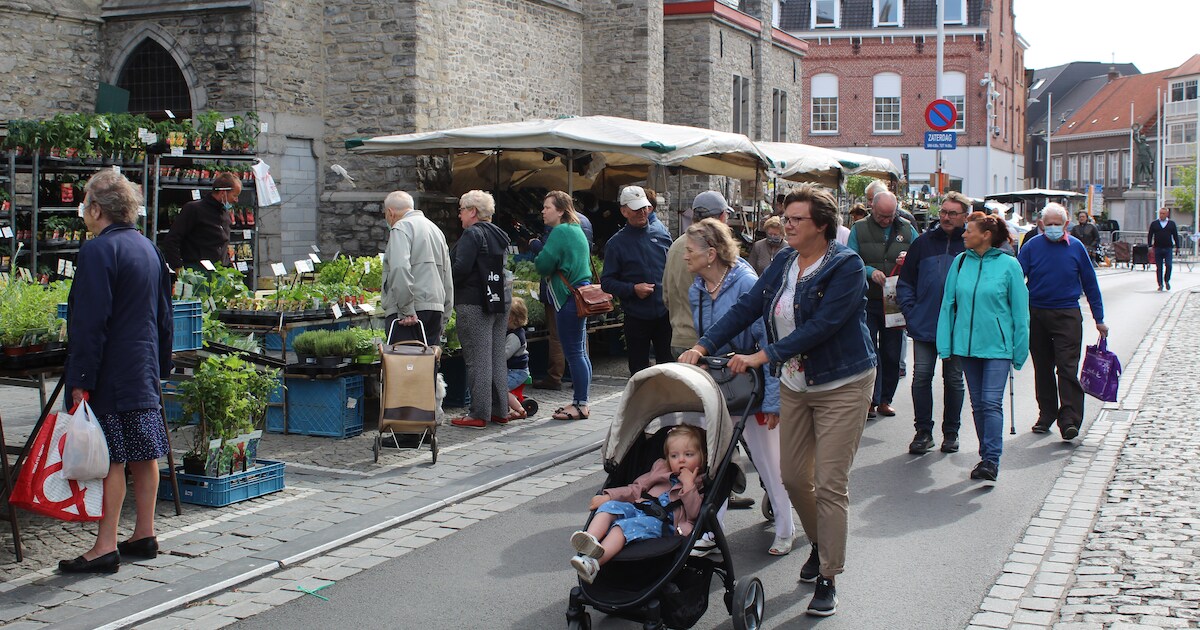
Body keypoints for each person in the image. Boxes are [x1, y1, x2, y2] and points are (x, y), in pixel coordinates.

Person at [680, 184, 876, 618]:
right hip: (796, 380)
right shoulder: (785, 260)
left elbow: (822, 326)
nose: (785, 225)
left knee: (829, 482)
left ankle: (828, 574)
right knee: (790, 476)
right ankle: (822, 543)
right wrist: (705, 343)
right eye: (784, 218)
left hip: (842, 381)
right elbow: (749, 305)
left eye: (795, 220)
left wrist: (760, 356)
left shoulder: (846, 266)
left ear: (822, 226)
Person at [59, 170, 174, 573]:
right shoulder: (147, 248)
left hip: (109, 369)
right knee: (144, 454)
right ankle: (144, 532)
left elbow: (90, 322)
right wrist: (162, 365)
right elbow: (164, 315)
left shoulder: (97, 251)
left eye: (85, 205)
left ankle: (104, 545)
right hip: (142, 367)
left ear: (96, 208)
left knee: (111, 458)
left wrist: (80, 381)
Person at [685, 218, 795, 555]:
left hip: (753, 386)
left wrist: (774, 401)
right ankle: (711, 530)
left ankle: (786, 527)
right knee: (715, 462)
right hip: (719, 386)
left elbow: (769, 341)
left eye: (690, 251)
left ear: (712, 253)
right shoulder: (696, 290)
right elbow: (705, 337)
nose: (685, 257)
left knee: (767, 461)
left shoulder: (747, 283)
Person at [937, 212, 1029, 482]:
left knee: (990, 402)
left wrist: (1020, 350)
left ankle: (991, 459)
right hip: (966, 346)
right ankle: (985, 456)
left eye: (969, 231)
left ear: (986, 235)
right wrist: (946, 344)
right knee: (978, 404)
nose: (963, 234)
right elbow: (948, 304)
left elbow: (1020, 312)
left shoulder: (1009, 265)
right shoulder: (960, 262)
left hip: (998, 347)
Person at [568, 425, 706, 584]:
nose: (681, 460)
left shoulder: (699, 483)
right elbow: (636, 489)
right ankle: (590, 539)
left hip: (661, 523)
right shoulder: (660, 469)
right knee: (609, 507)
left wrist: (689, 486)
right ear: (668, 458)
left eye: (688, 454)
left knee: (622, 527)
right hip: (639, 507)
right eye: (674, 456)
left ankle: (594, 564)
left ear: (702, 456)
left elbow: (695, 513)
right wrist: (609, 496)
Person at [1019, 203, 1108, 440]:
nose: (1053, 228)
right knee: (1042, 367)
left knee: (1067, 368)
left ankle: (1069, 419)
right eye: (1049, 225)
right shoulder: (1031, 247)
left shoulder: (1076, 247)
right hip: (1036, 312)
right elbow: (1017, 279)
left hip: (1067, 313)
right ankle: (1046, 414)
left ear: (1066, 225)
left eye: (1058, 224)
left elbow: (1090, 283)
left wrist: (1099, 319)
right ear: (1040, 225)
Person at [896, 191, 968, 455]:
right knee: (921, 378)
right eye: (944, 212)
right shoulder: (923, 242)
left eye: (952, 213)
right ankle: (923, 431)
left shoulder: (971, 244)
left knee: (954, 380)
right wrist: (910, 311)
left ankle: (951, 432)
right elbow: (905, 282)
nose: (946, 217)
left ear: (965, 217)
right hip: (924, 323)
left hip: (957, 326)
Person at [848, 190, 917, 419]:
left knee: (891, 351)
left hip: (895, 301)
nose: (886, 220)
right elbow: (851, 259)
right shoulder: (859, 228)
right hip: (867, 299)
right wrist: (869, 271)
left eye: (890, 216)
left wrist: (908, 257)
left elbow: (920, 256)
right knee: (868, 351)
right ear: (872, 210)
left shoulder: (907, 228)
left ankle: (886, 399)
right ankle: (869, 399)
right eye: (881, 216)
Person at [449, 190, 511, 429]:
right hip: (499, 300)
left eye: (462, 210)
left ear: (472, 211)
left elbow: (461, 268)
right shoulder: (500, 234)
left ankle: (478, 413)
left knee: (477, 358)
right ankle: (499, 410)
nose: (460, 215)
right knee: (496, 357)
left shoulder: (472, 234)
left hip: (474, 302)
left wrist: (444, 283)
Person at [534, 191, 593, 421]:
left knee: (574, 352)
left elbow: (543, 264)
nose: (543, 211)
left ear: (560, 210)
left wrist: (537, 250)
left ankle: (580, 404)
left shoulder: (560, 232)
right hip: (579, 295)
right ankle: (581, 400)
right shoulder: (576, 229)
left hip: (568, 298)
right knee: (580, 352)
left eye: (547, 207)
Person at [601, 186, 673, 375]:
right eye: (636, 208)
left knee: (670, 369)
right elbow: (607, 282)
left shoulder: (662, 235)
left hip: (665, 314)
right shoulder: (616, 244)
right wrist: (633, 289)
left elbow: (674, 270)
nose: (642, 212)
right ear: (624, 211)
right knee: (639, 373)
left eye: (644, 207)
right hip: (636, 317)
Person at [663, 191, 732, 358]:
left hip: (680, 337)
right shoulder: (716, 250)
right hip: (707, 343)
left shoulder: (676, 246)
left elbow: (666, 295)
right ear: (722, 217)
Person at [381, 190, 453, 344]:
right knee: (427, 365)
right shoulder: (436, 231)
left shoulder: (401, 227)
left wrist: (406, 310)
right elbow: (447, 276)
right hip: (435, 311)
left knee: (403, 365)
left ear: (390, 212)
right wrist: (445, 316)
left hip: (410, 313)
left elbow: (400, 268)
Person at [161, 172, 241, 271]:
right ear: (223, 192)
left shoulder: (225, 214)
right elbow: (172, 240)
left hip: (219, 273)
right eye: (235, 195)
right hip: (196, 272)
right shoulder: (194, 209)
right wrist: (178, 266)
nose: (236, 200)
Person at [504, 296, 531, 421]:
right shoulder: (512, 332)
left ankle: (520, 410)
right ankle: (507, 408)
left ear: (510, 318)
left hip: (517, 372)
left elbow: (506, 354)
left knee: (501, 389)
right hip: (513, 370)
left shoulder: (515, 337)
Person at [1148, 207, 1180, 291]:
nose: (1161, 215)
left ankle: (1167, 280)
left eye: (1163, 213)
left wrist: (1178, 246)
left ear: (1167, 214)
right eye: (1160, 213)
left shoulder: (1171, 224)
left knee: (1169, 265)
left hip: (1168, 247)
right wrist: (1150, 246)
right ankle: (1160, 284)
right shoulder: (1154, 224)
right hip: (1158, 247)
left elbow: (1175, 235)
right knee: (1159, 267)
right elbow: (1150, 235)